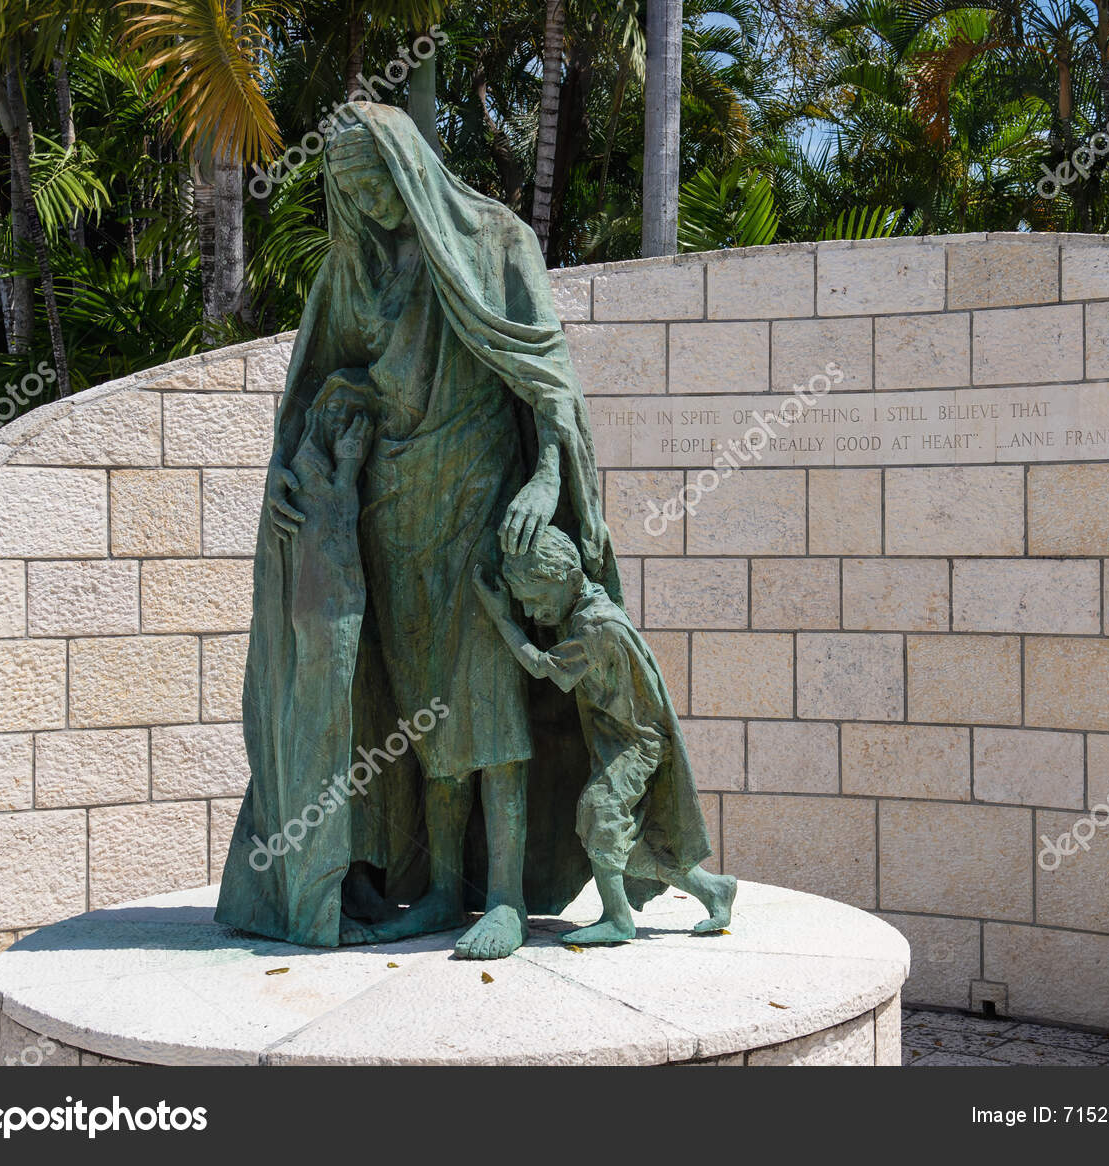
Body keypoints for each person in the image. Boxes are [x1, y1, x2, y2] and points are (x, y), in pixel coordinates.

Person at [216, 103, 645, 958]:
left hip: (484, 499)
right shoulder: (353, 270)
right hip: (391, 513)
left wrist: (548, 476)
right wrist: (291, 472)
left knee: (488, 698)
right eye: (349, 191)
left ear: (407, 163)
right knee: (424, 712)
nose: (368, 204)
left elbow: (548, 376)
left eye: (376, 183)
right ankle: (446, 889)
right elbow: (314, 387)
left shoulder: (496, 239)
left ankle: (507, 897)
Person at [473, 526, 733, 944]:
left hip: (636, 742)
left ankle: (617, 919)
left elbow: (540, 666)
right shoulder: (584, 606)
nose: (533, 614)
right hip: (615, 738)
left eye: (536, 600)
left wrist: (501, 616)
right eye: (525, 605)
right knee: (625, 839)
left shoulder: (595, 625)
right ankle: (714, 889)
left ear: (570, 579)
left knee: (600, 811)